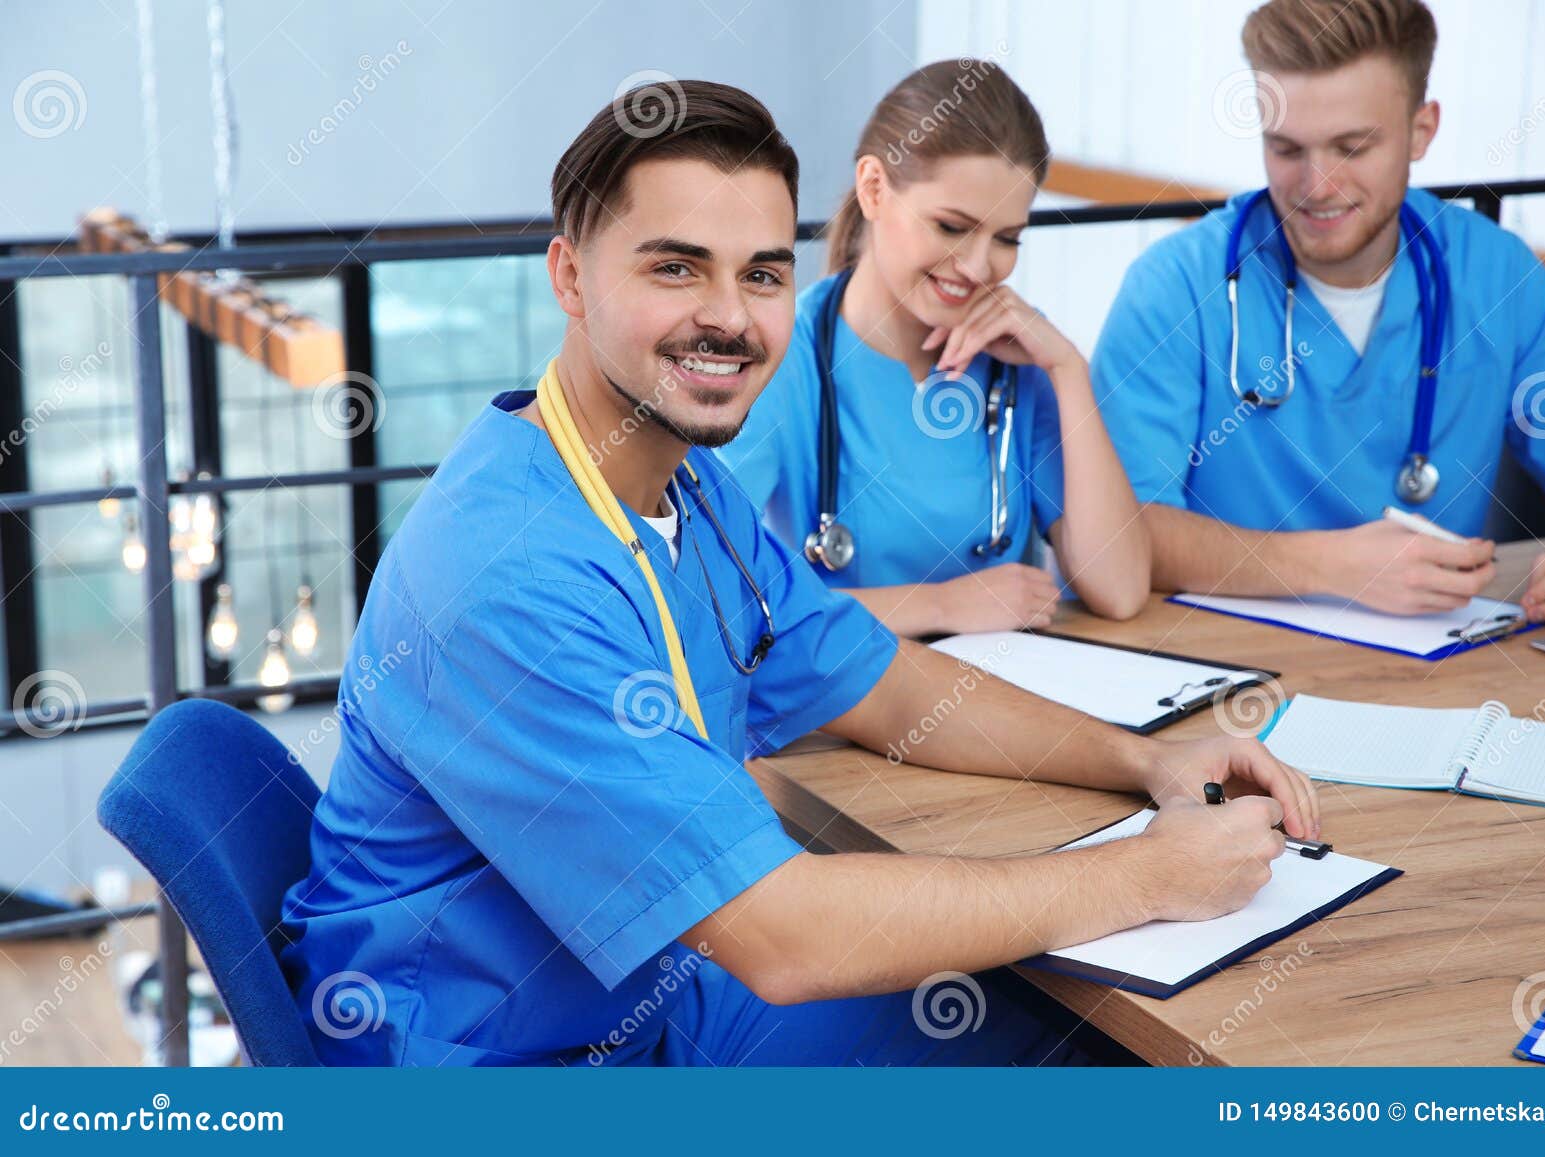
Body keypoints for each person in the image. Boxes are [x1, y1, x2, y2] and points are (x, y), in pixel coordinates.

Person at [280, 80, 1316, 1068]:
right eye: (676, 267)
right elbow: (781, 937)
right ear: (568, 276)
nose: (730, 316)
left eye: (763, 273)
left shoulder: (684, 487)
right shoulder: (507, 576)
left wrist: (1148, 765)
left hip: (650, 996)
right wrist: (1140, 872)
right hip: (496, 1059)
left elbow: (883, 680)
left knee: (1059, 1031)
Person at [1091, 0, 1545, 622]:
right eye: (1286, 149)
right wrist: (1333, 568)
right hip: (1224, 672)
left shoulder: (1496, 277)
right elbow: (1116, 539)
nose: (1317, 187)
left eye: (1351, 147)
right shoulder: (1174, 288)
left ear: (1421, 130)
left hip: (1442, 669)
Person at [718, 61, 1150, 636]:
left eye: (1006, 239)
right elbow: (723, 600)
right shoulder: (783, 353)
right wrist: (940, 607)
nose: (977, 267)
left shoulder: (1021, 358)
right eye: (951, 227)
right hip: (847, 708)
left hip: (1011, 694)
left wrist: (1068, 370)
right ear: (874, 189)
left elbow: (1119, 590)